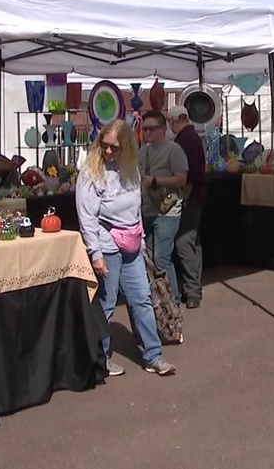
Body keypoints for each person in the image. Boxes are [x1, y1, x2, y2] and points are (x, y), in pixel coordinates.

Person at [76, 119, 176, 376]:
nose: (108, 152)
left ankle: (153, 356)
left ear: (127, 147)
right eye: (105, 145)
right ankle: (102, 357)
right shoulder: (91, 172)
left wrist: (140, 240)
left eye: (115, 147)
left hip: (132, 244)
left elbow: (136, 208)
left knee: (142, 299)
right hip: (107, 244)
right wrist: (95, 253)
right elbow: (86, 216)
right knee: (107, 304)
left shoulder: (132, 169)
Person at [138, 109, 188, 294]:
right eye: (145, 129)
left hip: (168, 211)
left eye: (152, 129)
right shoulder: (142, 152)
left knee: (162, 258)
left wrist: (156, 181)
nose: (147, 133)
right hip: (148, 210)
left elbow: (181, 179)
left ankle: (172, 300)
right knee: (151, 259)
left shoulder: (174, 150)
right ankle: (160, 298)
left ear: (163, 129)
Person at [167, 105, 206, 309]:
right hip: (197, 196)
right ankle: (194, 287)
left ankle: (192, 290)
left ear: (173, 120)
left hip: (191, 196)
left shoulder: (185, 140)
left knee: (183, 242)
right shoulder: (193, 137)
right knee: (192, 241)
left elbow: (191, 175)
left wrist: (184, 199)